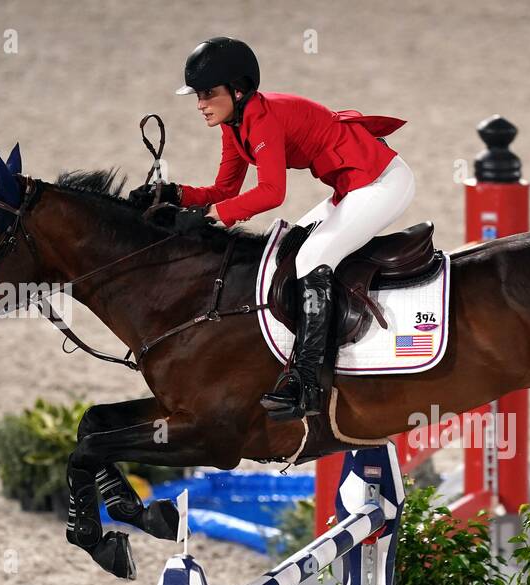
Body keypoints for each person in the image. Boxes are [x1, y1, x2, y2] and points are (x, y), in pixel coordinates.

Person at [128, 37, 415, 422]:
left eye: (208, 94)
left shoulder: (263, 119)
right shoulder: (235, 124)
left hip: (382, 183)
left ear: (238, 89)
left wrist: (210, 215)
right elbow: (225, 189)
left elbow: (271, 193)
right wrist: (176, 194)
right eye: (198, 95)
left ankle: (307, 382)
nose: (200, 105)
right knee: (289, 249)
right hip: (351, 187)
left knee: (313, 257)